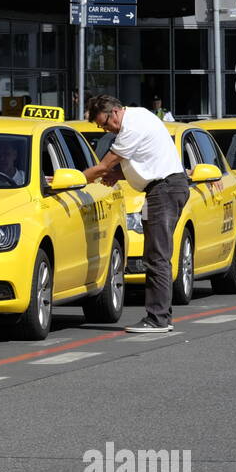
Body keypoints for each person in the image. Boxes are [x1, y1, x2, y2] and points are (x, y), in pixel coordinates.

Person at [82, 93, 187, 334]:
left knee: (156, 255)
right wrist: (118, 175)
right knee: (157, 254)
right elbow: (147, 160)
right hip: (164, 189)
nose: (106, 130)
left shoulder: (132, 126)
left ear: (115, 112)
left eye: (105, 124)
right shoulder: (140, 117)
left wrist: (77, 180)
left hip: (164, 191)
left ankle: (158, 318)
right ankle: (162, 316)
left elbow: (104, 165)